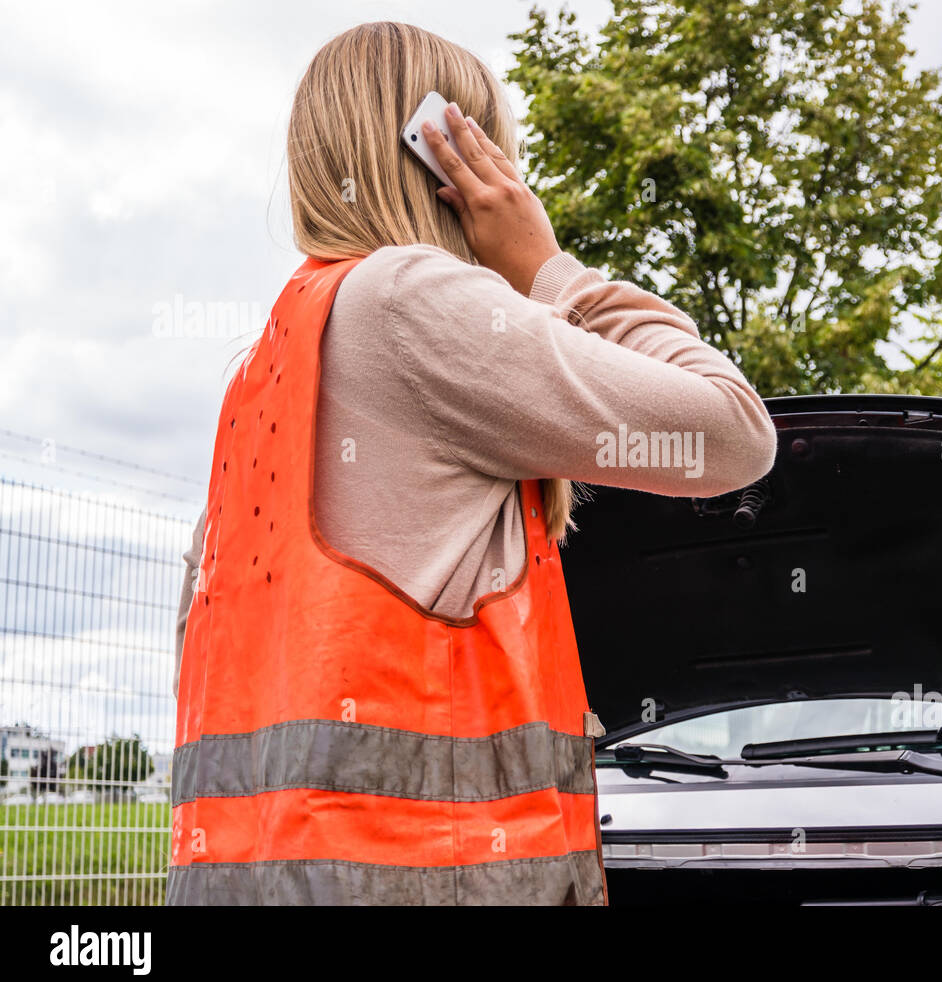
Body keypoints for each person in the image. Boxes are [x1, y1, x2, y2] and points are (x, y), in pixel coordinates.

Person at [169, 21, 775, 906]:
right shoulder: (406, 299)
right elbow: (733, 432)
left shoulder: (266, 369)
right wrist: (548, 267)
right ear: (455, 166)